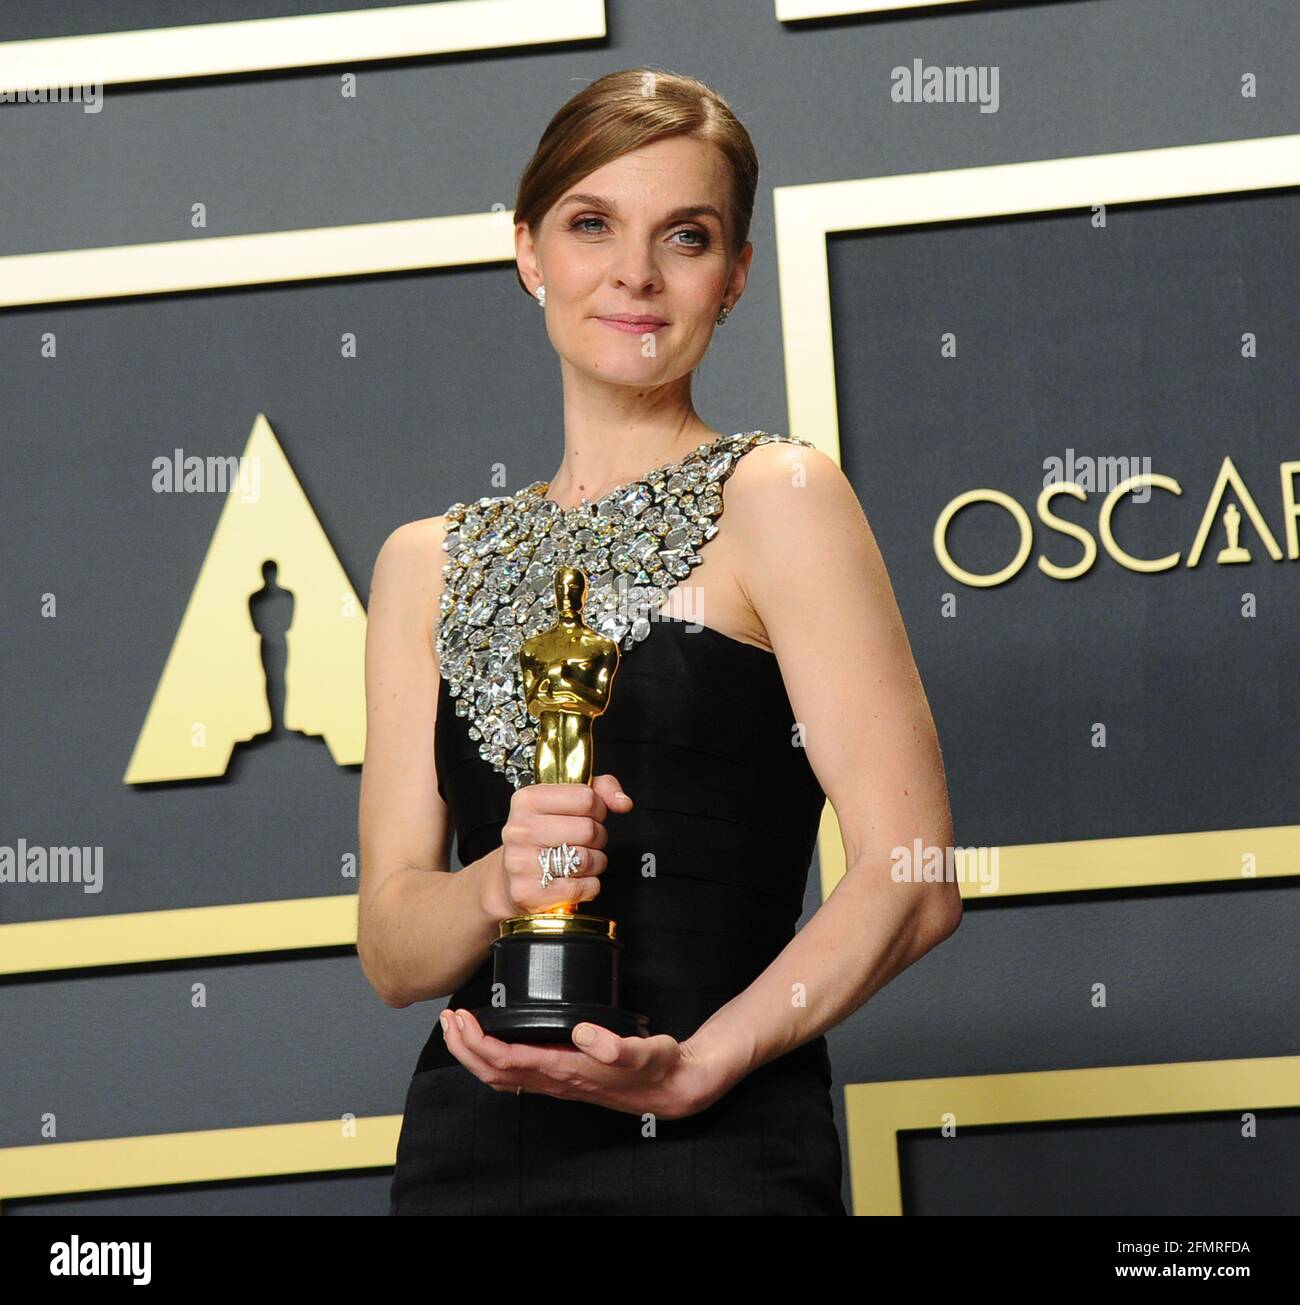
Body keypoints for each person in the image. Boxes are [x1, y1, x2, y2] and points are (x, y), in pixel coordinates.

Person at [358, 67, 960, 1216]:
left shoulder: (779, 498)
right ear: (529, 251)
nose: (634, 272)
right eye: (592, 224)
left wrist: (701, 1067)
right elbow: (392, 951)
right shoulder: (419, 563)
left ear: (733, 278)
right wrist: (495, 884)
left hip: (719, 1146)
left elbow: (914, 875)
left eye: (684, 237)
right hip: (471, 1155)